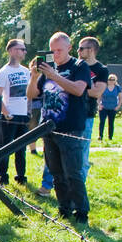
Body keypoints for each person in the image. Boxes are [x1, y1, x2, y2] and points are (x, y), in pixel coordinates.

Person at [26, 32, 94, 223]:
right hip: (49, 128)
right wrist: (34, 76)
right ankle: (64, 207)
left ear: (69, 48)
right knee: (56, 173)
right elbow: (32, 94)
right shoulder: (48, 69)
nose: (55, 54)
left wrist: (54, 76)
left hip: (71, 128)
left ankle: (81, 211)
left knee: (73, 173)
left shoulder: (79, 66)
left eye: (59, 50)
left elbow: (79, 90)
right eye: (52, 50)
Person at [0, 39, 31, 184]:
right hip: (10, 116)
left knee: (21, 148)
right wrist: (6, 112)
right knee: (6, 147)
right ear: (11, 51)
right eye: (20, 49)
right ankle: (3, 176)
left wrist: (28, 110)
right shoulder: (4, 72)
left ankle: (21, 176)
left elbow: (29, 93)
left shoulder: (26, 71)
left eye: (24, 49)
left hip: (23, 115)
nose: (24, 52)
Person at [77, 36, 110, 186]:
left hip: (87, 114)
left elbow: (97, 92)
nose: (78, 51)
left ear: (91, 50)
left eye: (81, 48)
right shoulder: (75, 65)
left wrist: (77, 87)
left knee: (83, 154)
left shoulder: (101, 70)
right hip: (70, 113)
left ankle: (80, 187)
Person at [97, 75, 122, 140]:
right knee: (102, 122)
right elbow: (99, 96)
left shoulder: (117, 88)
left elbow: (121, 98)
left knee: (111, 123)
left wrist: (118, 106)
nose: (111, 81)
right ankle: (100, 136)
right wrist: (99, 104)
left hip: (113, 108)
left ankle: (110, 137)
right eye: (110, 79)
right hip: (104, 107)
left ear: (115, 80)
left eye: (113, 80)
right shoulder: (104, 87)